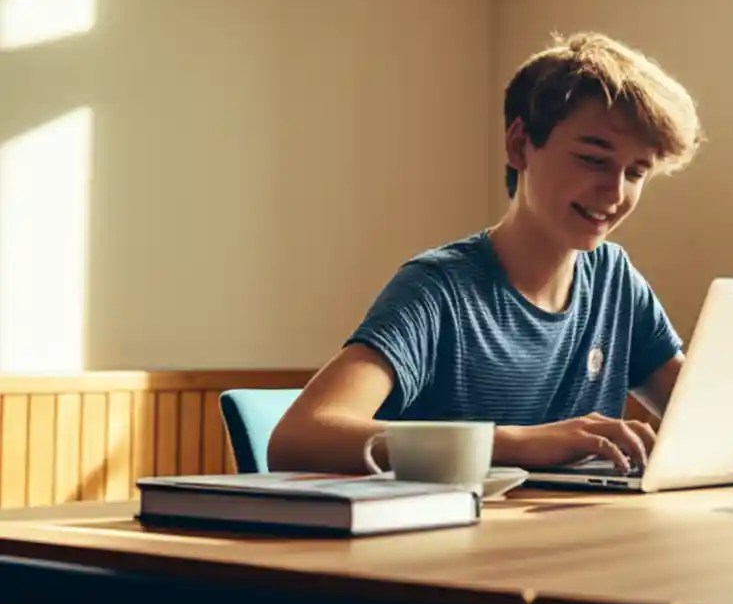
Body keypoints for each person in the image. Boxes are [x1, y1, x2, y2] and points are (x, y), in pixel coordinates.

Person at [268, 32, 703, 475]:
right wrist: (517, 443)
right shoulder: (439, 289)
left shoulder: (615, 281)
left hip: (569, 539)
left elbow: (708, 421)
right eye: (593, 160)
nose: (614, 192)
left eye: (635, 172)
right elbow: (300, 436)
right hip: (443, 541)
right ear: (519, 146)